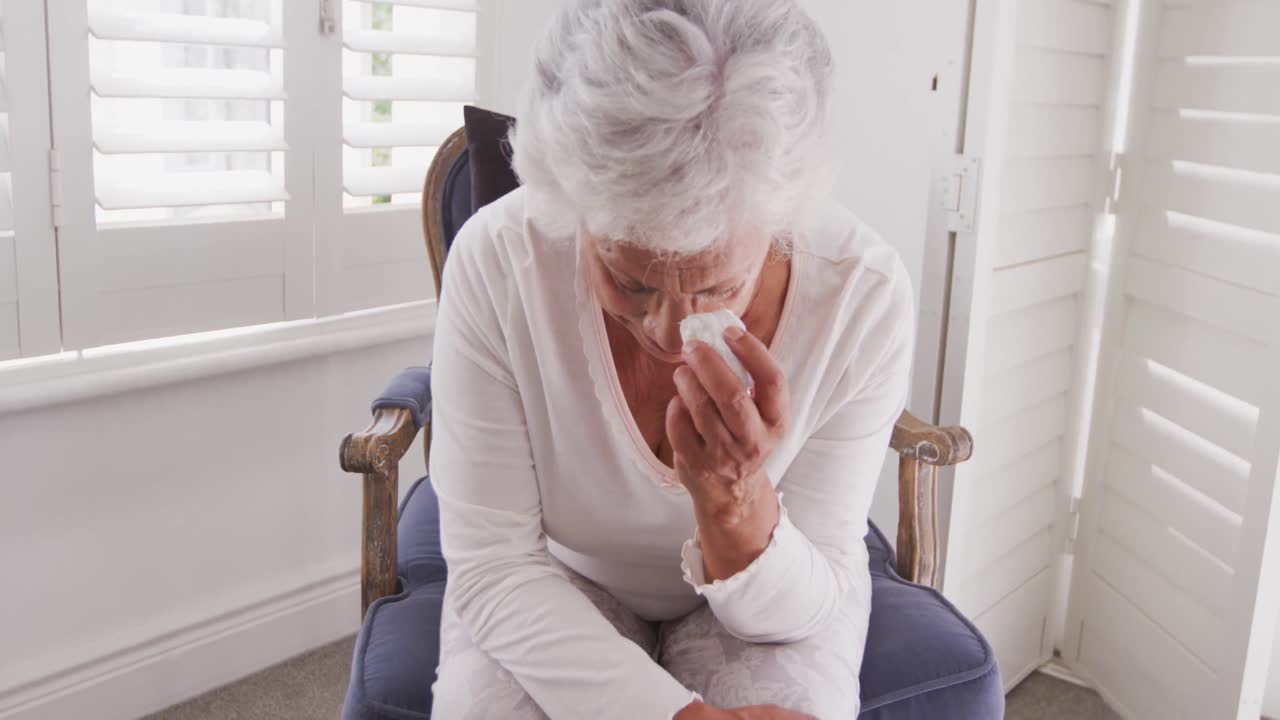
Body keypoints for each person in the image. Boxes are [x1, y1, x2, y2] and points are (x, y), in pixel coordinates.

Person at [429, 1, 914, 717]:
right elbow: (496, 566)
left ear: (780, 225)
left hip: (769, 604)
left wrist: (735, 502)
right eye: (630, 281)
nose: (670, 330)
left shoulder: (862, 296)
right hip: (555, 580)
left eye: (718, 286)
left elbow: (803, 612)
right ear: (572, 206)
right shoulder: (501, 261)